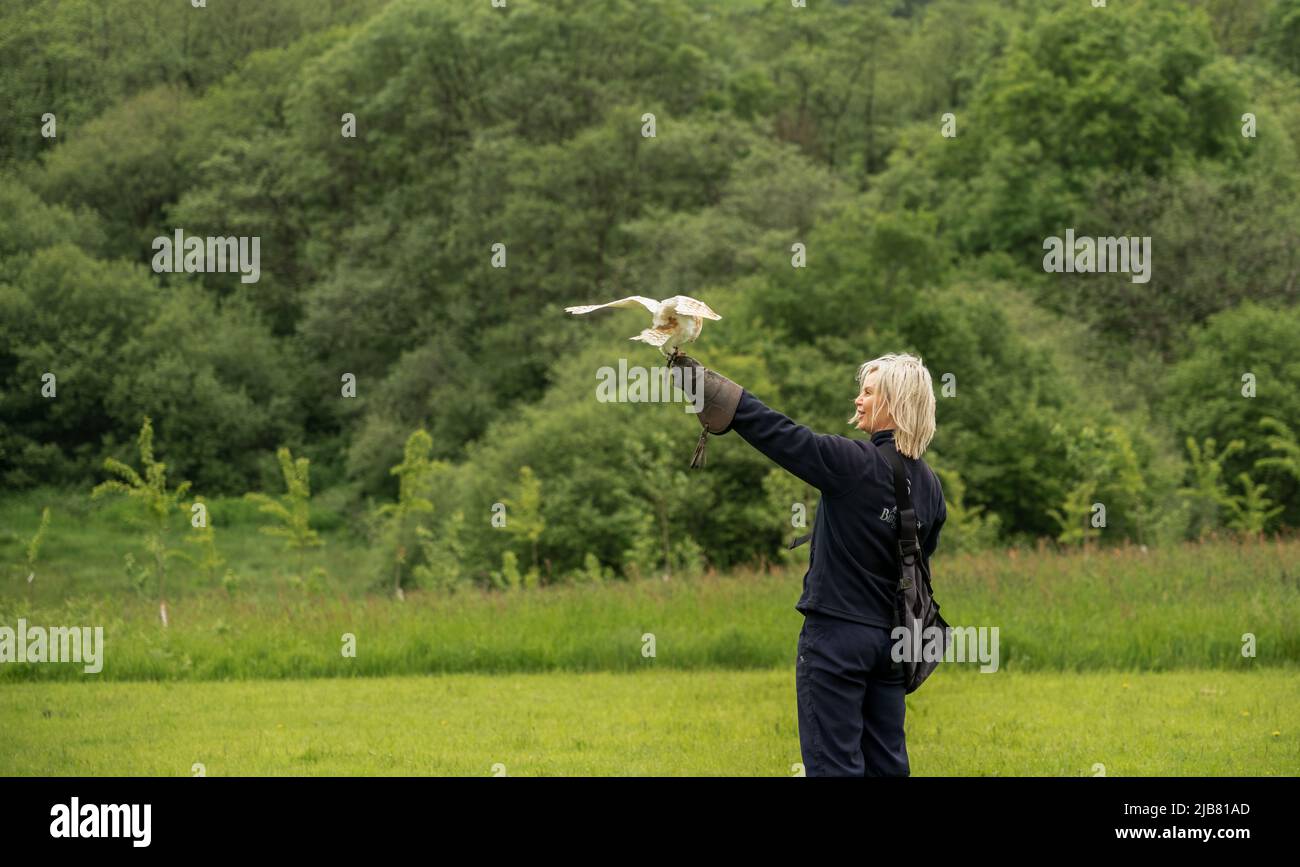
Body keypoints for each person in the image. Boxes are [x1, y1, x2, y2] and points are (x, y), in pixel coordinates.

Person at [671, 352, 946, 777]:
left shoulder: (850, 463)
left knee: (834, 767)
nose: (857, 400)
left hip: (836, 641)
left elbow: (782, 435)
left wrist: (721, 394)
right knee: (888, 767)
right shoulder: (931, 486)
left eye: (868, 393)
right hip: (893, 645)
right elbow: (917, 569)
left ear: (894, 403)